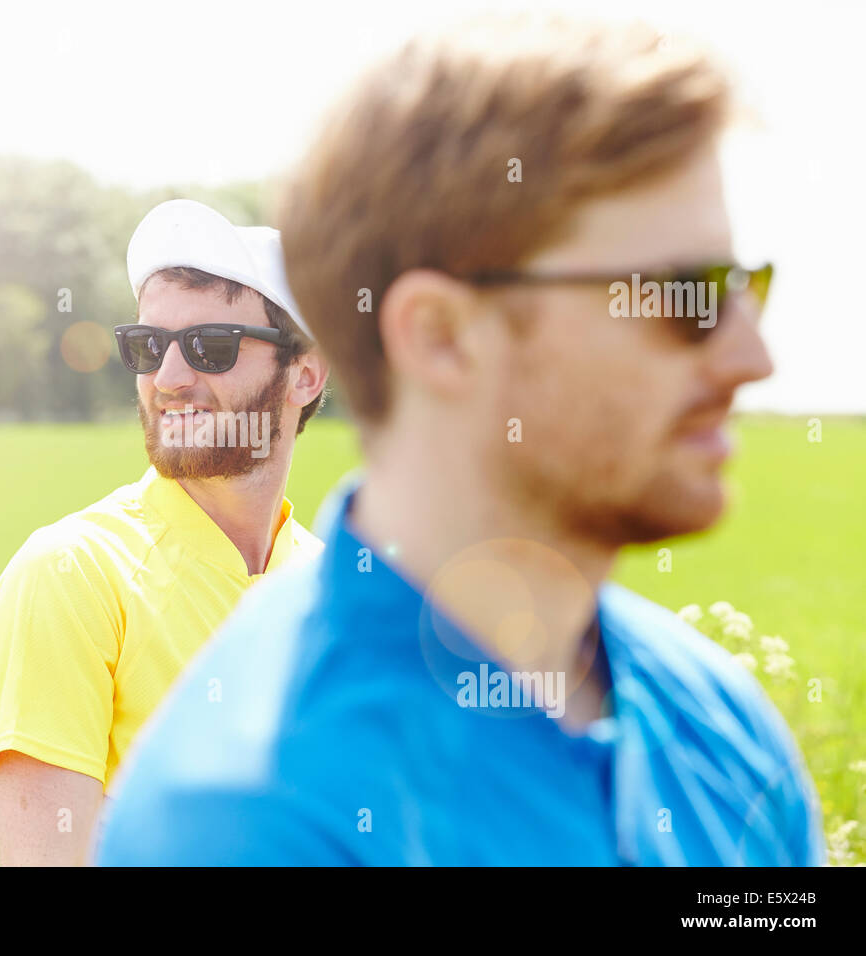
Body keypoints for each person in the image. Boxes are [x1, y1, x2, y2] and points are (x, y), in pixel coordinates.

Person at [97, 18, 825, 865]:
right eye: (683, 296)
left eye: (746, 288)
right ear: (441, 336)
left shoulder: (723, 728)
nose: (751, 357)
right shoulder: (248, 823)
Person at [0, 199, 328, 865]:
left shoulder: (332, 592)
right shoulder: (72, 574)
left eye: (212, 347)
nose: (168, 378)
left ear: (305, 374)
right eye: (147, 346)